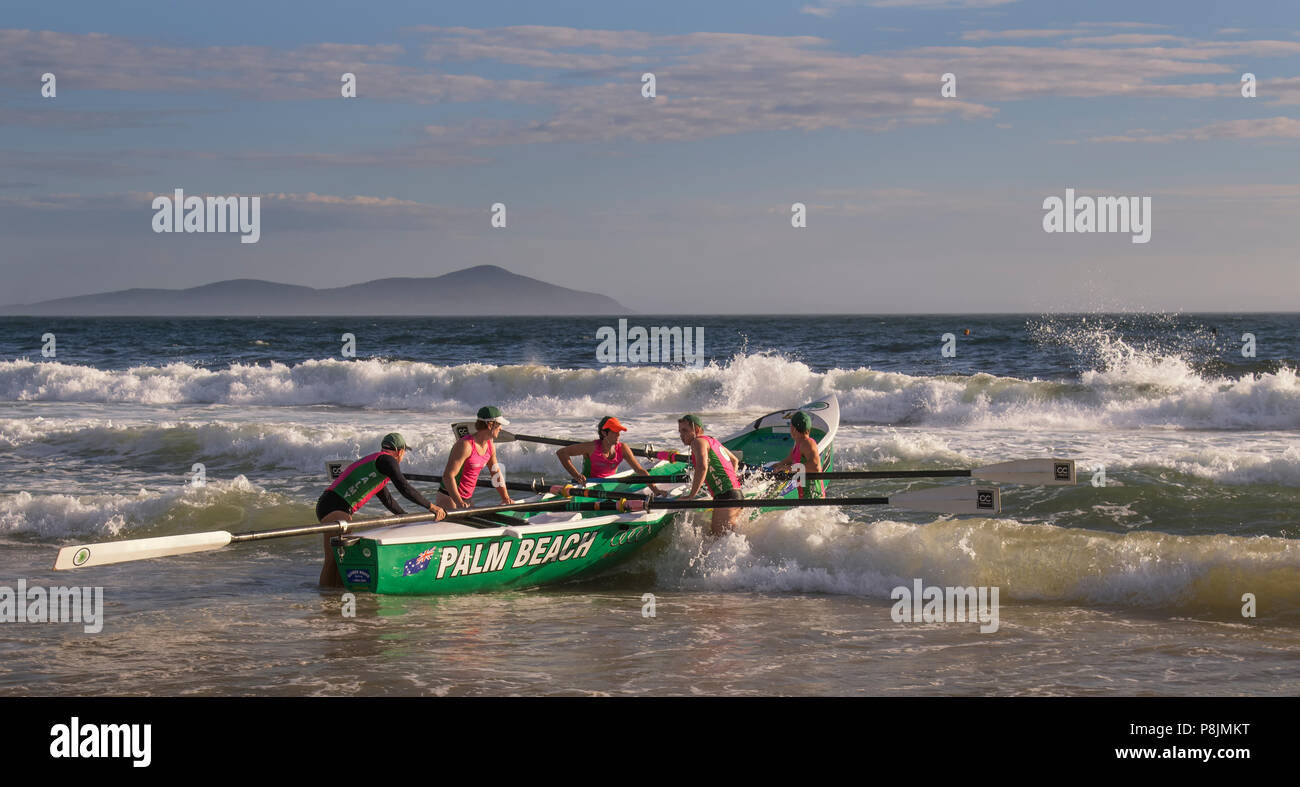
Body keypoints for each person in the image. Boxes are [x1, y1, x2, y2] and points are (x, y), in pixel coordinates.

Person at [315, 432, 445, 588]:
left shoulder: (376, 465)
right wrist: (432, 507)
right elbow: (404, 487)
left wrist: (406, 518)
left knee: (338, 559)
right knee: (334, 559)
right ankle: (326, 597)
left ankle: (333, 595)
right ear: (400, 451)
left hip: (329, 504)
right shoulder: (388, 460)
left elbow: (388, 500)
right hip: (334, 507)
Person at [671, 414, 744, 537]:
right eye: (680, 432)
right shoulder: (712, 440)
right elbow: (735, 460)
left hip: (726, 497)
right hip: (734, 494)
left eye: (685, 431)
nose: (681, 436)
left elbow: (702, 467)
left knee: (718, 542)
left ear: (697, 430)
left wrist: (691, 496)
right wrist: (731, 477)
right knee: (720, 541)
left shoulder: (697, 441)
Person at [555, 416, 664, 496]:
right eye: (615, 432)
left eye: (619, 431)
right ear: (604, 433)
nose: (619, 435)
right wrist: (577, 475)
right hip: (588, 487)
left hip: (609, 487)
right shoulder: (591, 447)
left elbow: (640, 471)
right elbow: (561, 453)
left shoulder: (622, 448)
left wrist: (655, 490)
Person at [436, 406, 514, 511]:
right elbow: (448, 476)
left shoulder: (490, 446)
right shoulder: (465, 445)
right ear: (490, 425)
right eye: (499, 424)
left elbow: (495, 473)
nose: (501, 428)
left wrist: (505, 498)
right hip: (449, 498)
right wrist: (459, 502)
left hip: (467, 500)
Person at [770, 410, 824, 498]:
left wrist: (788, 468)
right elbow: (790, 459)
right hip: (805, 498)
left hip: (814, 498)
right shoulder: (798, 444)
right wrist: (776, 466)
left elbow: (815, 467)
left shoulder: (808, 443)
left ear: (794, 428)